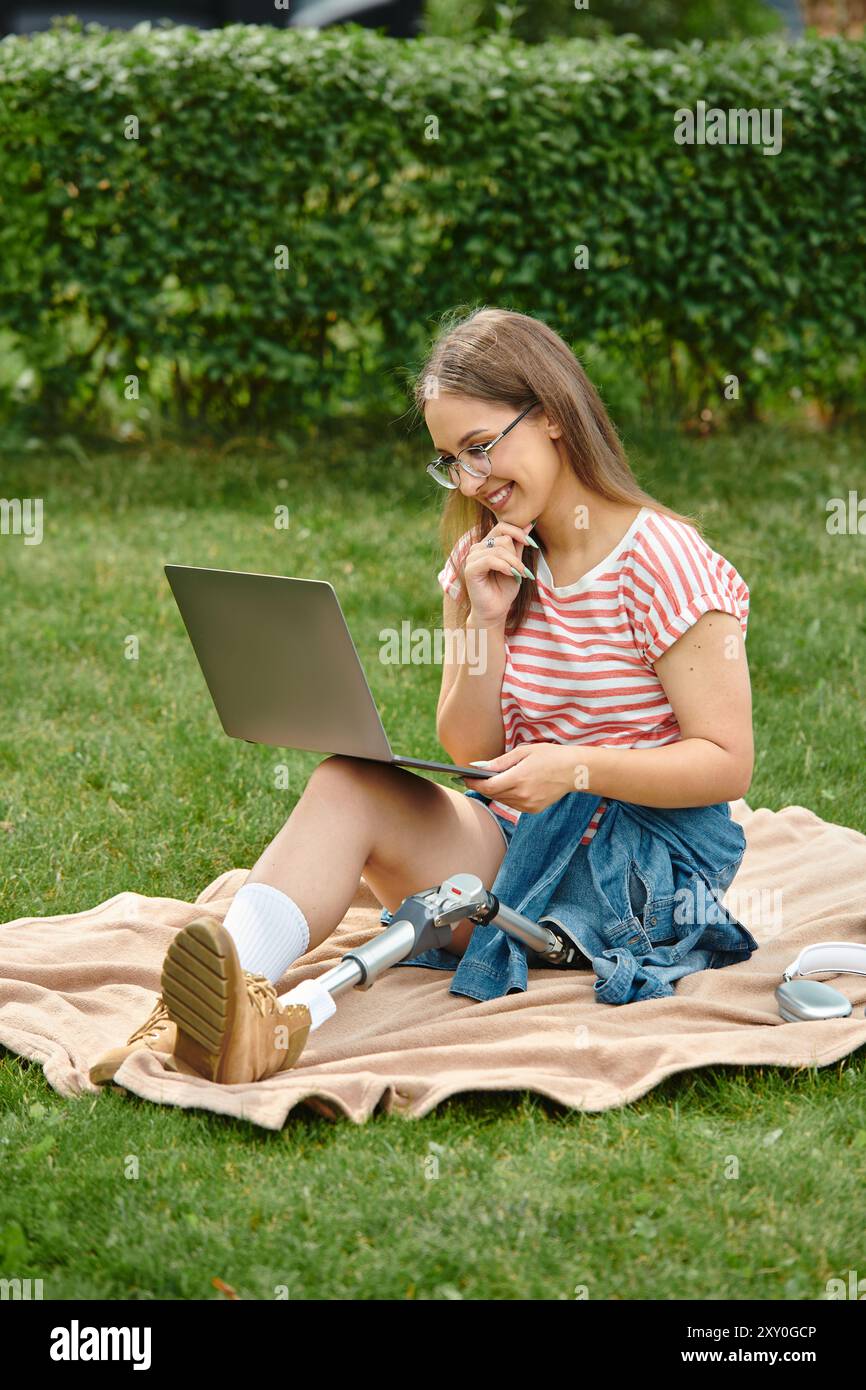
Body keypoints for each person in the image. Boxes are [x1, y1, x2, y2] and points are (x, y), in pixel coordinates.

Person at [89, 306, 753, 1087]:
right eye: (451, 460)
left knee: (399, 814)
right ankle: (219, 1005)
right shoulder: (486, 556)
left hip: (636, 868)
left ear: (552, 418)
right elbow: (469, 750)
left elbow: (726, 763)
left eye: (481, 448)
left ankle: (245, 1011)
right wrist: (487, 620)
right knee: (348, 781)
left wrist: (572, 768)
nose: (472, 481)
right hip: (521, 836)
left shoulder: (664, 561)